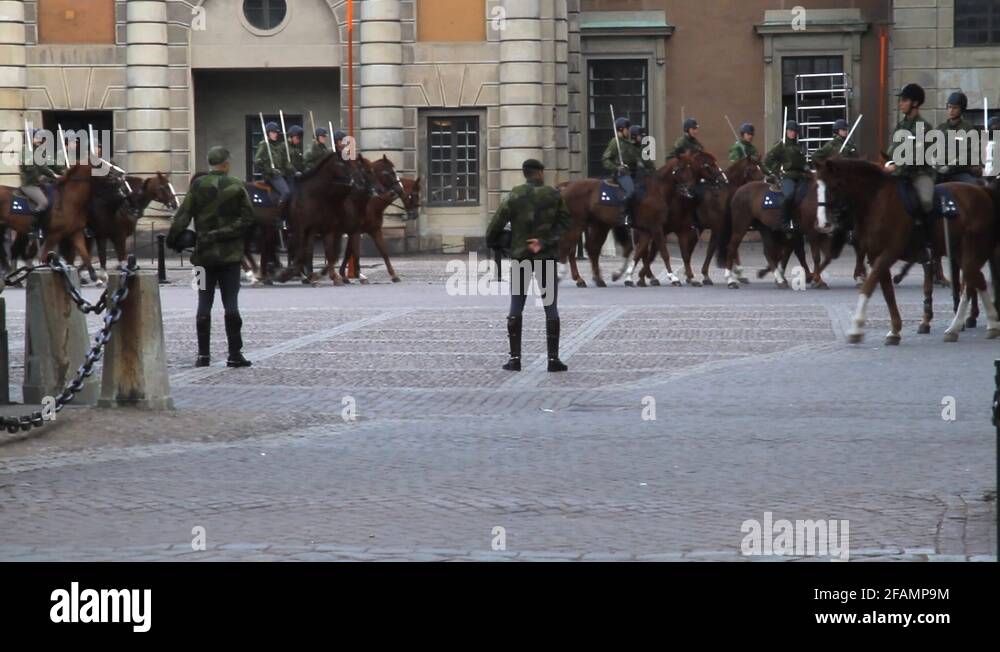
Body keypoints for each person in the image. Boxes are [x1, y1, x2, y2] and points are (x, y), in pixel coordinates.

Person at [167, 146, 255, 368]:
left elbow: (182, 216)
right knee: (231, 304)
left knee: (203, 303)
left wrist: (172, 239)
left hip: (203, 257)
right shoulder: (236, 185)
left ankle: (203, 355)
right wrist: (225, 233)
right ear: (226, 164)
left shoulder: (197, 185)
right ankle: (234, 354)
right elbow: (248, 218)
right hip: (230, 258)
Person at [485, 158, 571, 373]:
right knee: (550, 306)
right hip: (546, 256)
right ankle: (553, 360)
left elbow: (496, 222)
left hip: (520, 255)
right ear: (540, 173)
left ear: (525, 174)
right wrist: (543, 242)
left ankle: (515, 359)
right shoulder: (553, 194)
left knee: (516, 305)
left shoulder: (514, 194)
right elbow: (565, 223)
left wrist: (493, 241)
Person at [883, 83, 935, 220]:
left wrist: (895, 167)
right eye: (900, 100)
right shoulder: (900, 126)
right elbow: (893, 150)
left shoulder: (923, 127)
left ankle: (929, 237)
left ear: (915, 103)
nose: (900, 104)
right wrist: (887, 163)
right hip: (899, 174)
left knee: (926, 202)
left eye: (904, 100)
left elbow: (915, 156)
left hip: (919, 174)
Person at [601, 117, 655, 227]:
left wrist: (653, 171)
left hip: (633, 172)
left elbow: (643, 158)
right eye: (627, 128)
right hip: (622, 174)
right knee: (631, 191)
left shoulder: (630, 143)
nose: (629, 131)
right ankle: (624, 215)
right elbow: (605, 159)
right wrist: (617, 168)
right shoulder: (615, 142)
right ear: (621, 129)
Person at [763, 120, 809, 233]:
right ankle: (784, 222)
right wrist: (774, 171)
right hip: (788, 177)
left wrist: (807, 167)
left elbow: (803, 162)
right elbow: (768, 160)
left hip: (801, 176)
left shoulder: (800, 146)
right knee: (789, 195)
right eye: (790, 131)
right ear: (786, 131)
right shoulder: (781, 145)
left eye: (794, 131)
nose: (792, 133)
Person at [935, 91, 981, 184]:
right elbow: (933, 149)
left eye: (955, 108)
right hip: (940, 172)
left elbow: (969, 154)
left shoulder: (968, 128)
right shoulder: (941, 128)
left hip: (960, 171)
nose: (951, 110)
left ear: (961, 109)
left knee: (974, 186)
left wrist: (950, 166)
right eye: (949, 107)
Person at [19, 129, 64, 221]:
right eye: (37, 137)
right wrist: (40, 177)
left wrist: (63, 173)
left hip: (42, 184)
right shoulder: (25, 150)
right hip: (30, 184)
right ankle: (33, 228)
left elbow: (45, 167)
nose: (40, 140)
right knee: (43, 203)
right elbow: (30, 168)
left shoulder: (39, 151)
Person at [253, 121, 291, 202]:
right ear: (267, 133)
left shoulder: (278, 145)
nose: (275, 134)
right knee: (286, 192)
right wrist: (269, 170)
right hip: (271, 175)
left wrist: (293, 171)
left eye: (276, 133)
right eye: (273, 132)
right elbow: (257, 161)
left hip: (280, 173)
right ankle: (280, 212)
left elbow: (284, 161)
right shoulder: (264, 144)